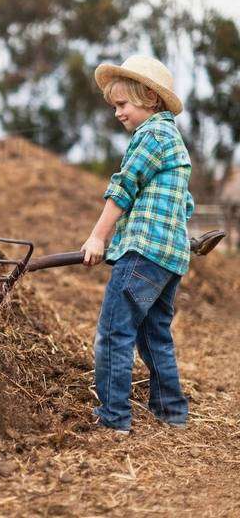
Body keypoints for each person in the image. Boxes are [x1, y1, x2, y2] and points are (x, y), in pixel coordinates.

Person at [81, 55, 194, 434]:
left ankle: (113, 418)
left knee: (115, 332)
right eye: (114, 106)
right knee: (153, 334)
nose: (117, 113)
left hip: (143, 253)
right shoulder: (174, 142)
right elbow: (185, 203)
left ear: (149, 97)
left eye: (123, 104)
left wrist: (99, 236)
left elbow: (124, 185)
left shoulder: (151, 136)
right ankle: (171, 410)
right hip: (168, 260)